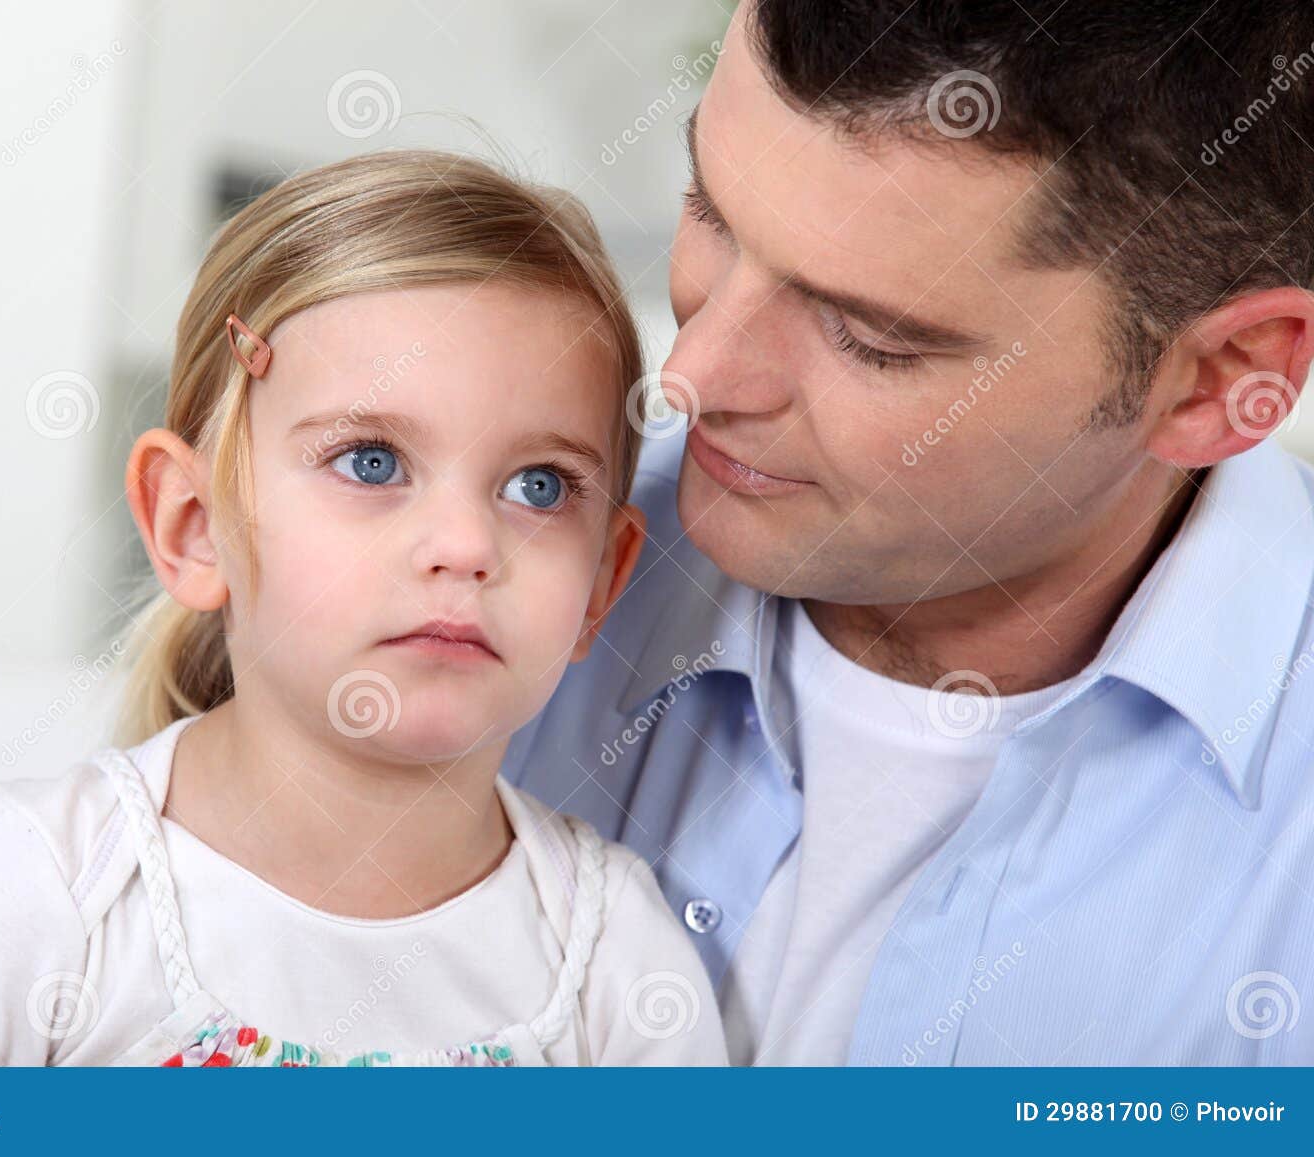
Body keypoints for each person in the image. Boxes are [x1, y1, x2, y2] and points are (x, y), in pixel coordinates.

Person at [503, 0, 1314, 1065]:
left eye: (870, 337)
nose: (690, 374)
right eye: (710, 210)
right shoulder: (444, 574)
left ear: (1219, 381)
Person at [0, 150, 727, 1067]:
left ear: (602, 586)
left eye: (539, 486)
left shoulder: (615, 963)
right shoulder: (42, 893)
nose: (466, 543)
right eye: (370, 461)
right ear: (193, 527)